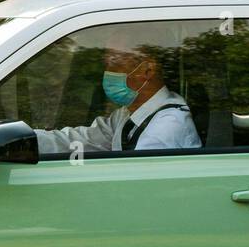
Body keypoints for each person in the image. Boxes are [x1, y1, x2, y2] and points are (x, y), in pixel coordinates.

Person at [34, 29, 201, 155]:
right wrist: (28, 141)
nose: (106, 71)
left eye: (114, 61)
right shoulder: (128, 116)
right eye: (106, 62)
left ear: (147, 70)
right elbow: (84, 140)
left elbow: (134, 187)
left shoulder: (166, 128)